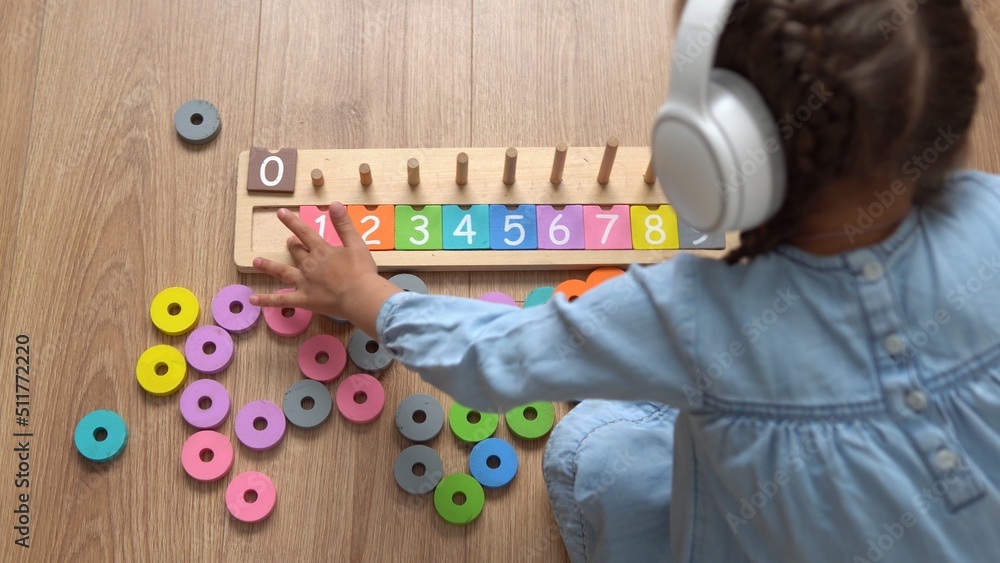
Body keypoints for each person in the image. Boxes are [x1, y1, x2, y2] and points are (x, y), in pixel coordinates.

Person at [250, 0, 999, 561]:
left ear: (711, 155)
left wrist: (371, 299)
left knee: (595, 439)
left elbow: (502, 356)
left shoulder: (694, 313)